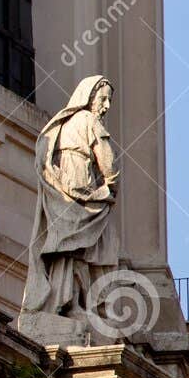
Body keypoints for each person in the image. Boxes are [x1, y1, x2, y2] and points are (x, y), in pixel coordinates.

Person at [20, 76, 119, 333]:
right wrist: (111, 183)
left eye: (109, 100)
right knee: (80, 245)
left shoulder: (64, 124)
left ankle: (67, 301)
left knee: (68, 244)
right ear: (89, 97)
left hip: (63, 181)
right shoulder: (88, 120)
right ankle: (74, 303)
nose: (106, 105)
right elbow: (107, 157)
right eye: (103, 98)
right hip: (80, 181)